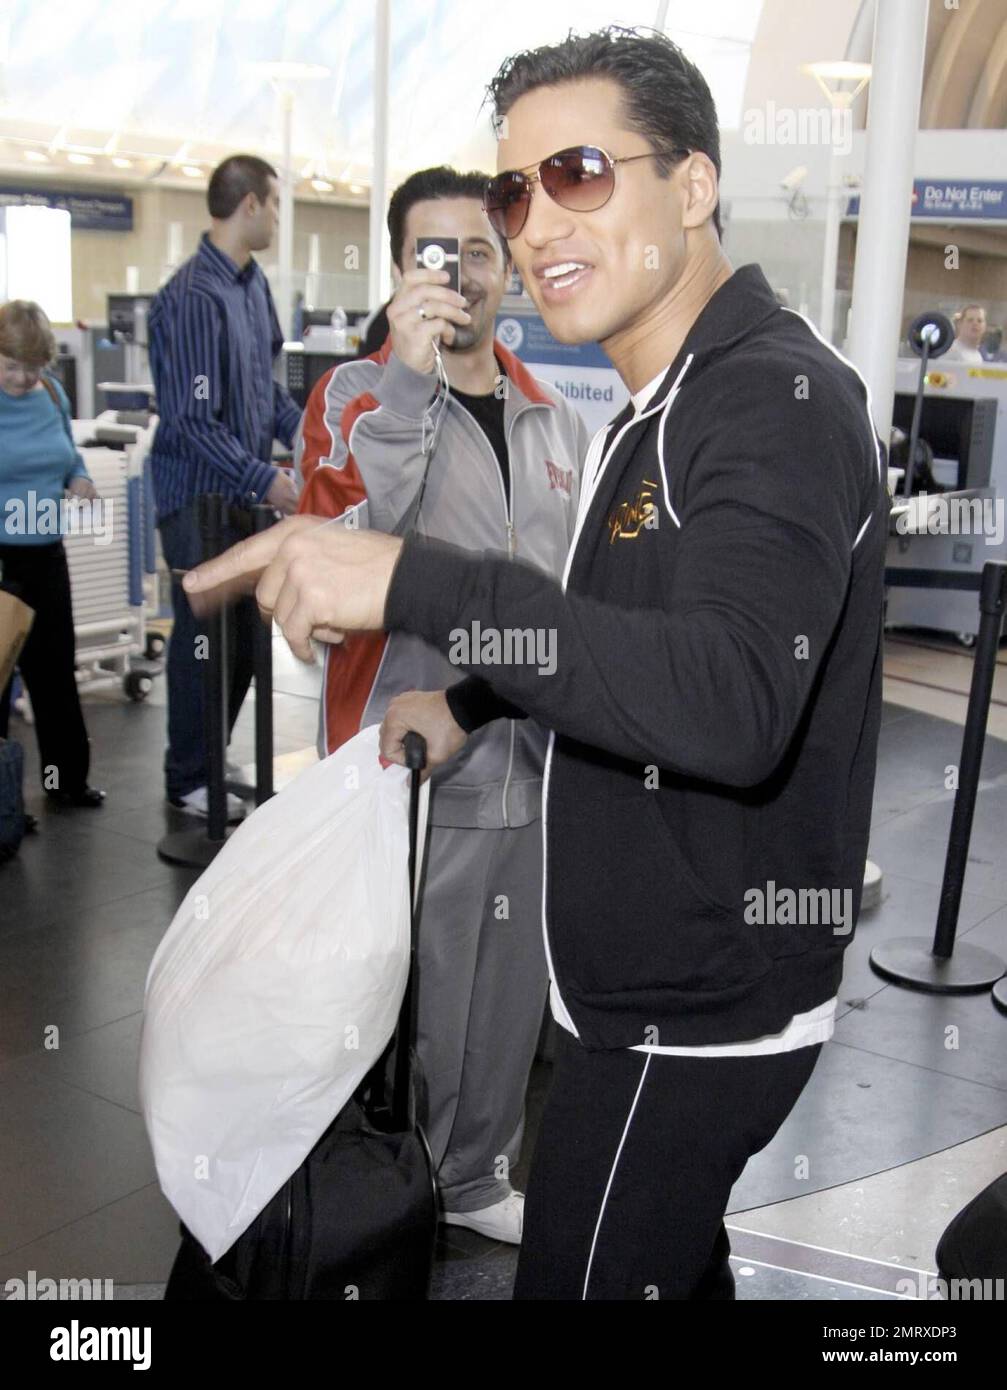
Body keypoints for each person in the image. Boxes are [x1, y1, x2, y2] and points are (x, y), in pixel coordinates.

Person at [186, 26, 889, 1300]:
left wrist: (414, 580)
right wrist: (472, 695)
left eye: (578, 172)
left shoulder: (770, 400)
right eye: (515, 192)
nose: (532, 223)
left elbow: (729, 697)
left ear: (690, 185)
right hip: (638, 988)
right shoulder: (661, 400)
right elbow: (628, 635)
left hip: (688, 1017)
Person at [295, 166, 588, 1242]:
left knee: (504, 1001)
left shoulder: (553, 419)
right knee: (405, 1004)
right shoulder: (352, 399)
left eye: (478, 249)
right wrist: (408, 386)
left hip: (526, 764)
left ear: (506, 267)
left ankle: (471, 1176)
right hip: (410, 772)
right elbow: (339, 560)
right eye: (433, 251)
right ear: (396, 271)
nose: (459, 272)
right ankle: (387, 1188)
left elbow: (563, 599)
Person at [148, 153, 301, 819]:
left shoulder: (250, 285)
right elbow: (188, 419)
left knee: (243, 642)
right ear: (249, 205)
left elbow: (264, 389)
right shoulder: (190, 298)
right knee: (202, 638)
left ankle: (208, 763)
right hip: (196, 501)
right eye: (273, 203)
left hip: (240, 500)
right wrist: (266, 477)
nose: (275, 216)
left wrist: (311, 434)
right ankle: (187, 777)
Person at [0, 299, 105, 808]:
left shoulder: (53, 394)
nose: (23, 378)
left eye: (33, 367)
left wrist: (79, 476)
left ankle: (64, 783)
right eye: (12, 366)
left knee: (55, 673)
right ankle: (3, 807)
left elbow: (69, 454)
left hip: (46, 551)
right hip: (1, 557)